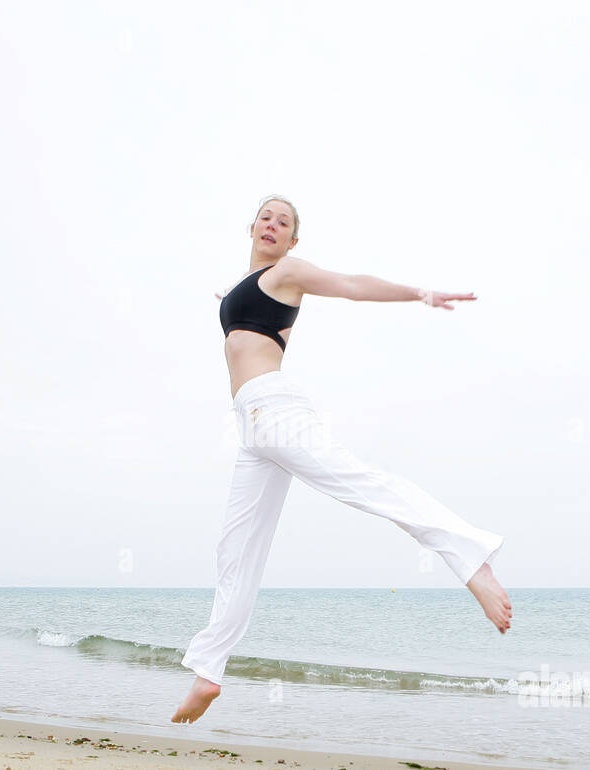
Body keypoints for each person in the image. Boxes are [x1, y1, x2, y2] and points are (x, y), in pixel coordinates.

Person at [172, 195, 511, 723]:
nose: (272, 224)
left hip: (275, 411)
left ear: (293, 240)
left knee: (362, 483)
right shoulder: (243, 283)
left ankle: (471, 559)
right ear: (252, 226)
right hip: (251, 429)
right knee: (235, 551)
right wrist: (228, 296)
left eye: (284, 222)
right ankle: (209, 671)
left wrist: (419, 293)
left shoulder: (289, 272)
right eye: (266, 216)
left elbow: (353, 285)